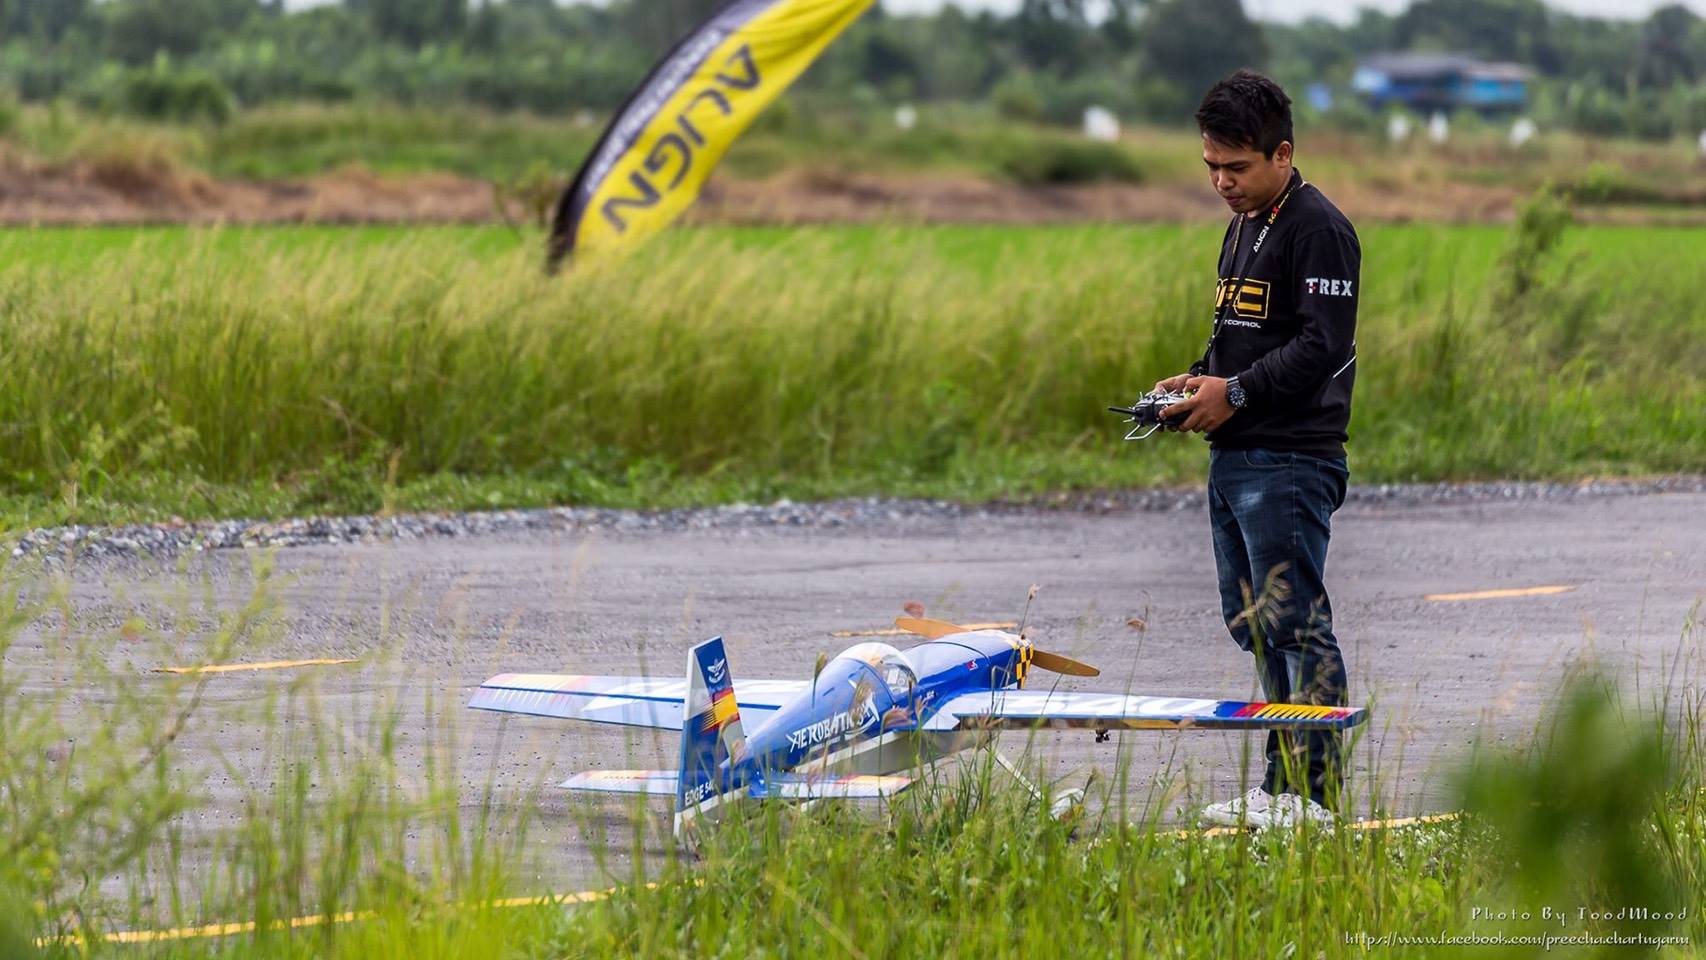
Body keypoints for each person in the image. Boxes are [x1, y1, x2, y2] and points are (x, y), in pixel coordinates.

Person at [1154, 70, 1360, 829]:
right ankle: (1279, 790)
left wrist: (1232, 394)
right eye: (1210, 166)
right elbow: (1249, 335)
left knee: (1296, 621)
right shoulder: (1244, 222)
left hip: (1291, 457)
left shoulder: (1320, 227)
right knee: (1253, 620)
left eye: (1236, 168)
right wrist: (1200, 380)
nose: (1221, 182)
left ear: (1282, 153)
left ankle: (1316, 797)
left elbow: (1320, 346)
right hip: (1236, 454)